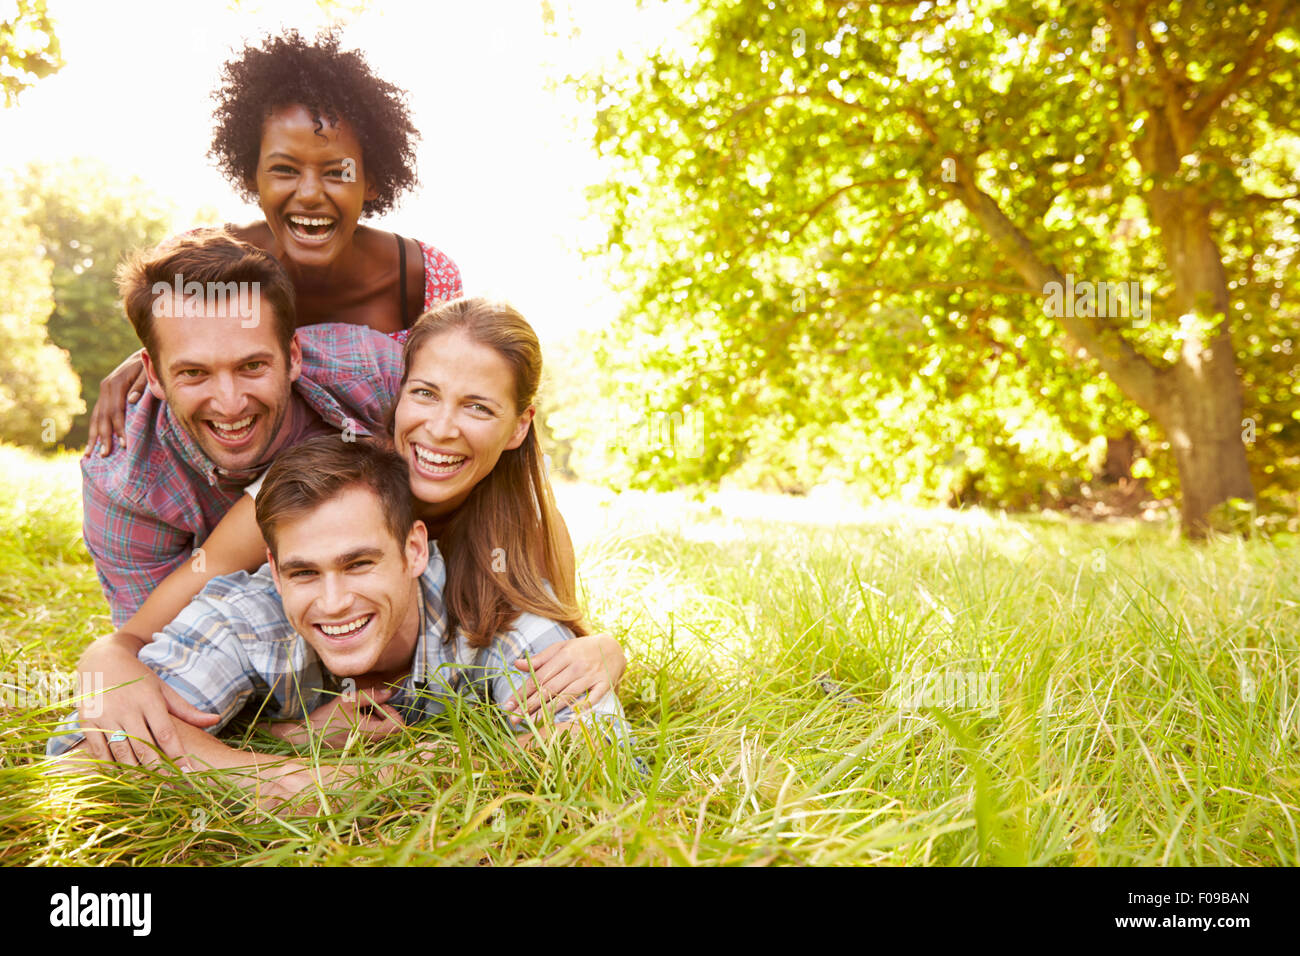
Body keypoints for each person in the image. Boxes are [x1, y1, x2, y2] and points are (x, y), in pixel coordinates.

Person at [77, 235, 623, 767]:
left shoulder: (522, 534)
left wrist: (606, 650)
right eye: (425, 394)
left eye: (477, 408)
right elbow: (163, 631)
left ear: (517, 427)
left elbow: (563, 654)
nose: (441, 428)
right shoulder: (331, 483)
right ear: (399, 390)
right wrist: (110, 654)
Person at [49, 438, 628, 816]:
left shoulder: (496, 610)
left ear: (414, 549)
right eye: (304, 572)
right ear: (273, 571)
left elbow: (593, 750)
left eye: (359, 563)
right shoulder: (244, 616)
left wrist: (416, 769)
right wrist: (291, 770)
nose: (333, 603)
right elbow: (84, 755)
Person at [87, 29, 461, 455]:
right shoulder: (204, 261)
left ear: (372, 181)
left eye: (338, 172)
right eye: (284, 169)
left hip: (375, 480)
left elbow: (457, 393)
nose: (309, 193)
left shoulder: (424, 277)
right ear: (252, 175)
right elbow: (183, 356)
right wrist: (141, 361)